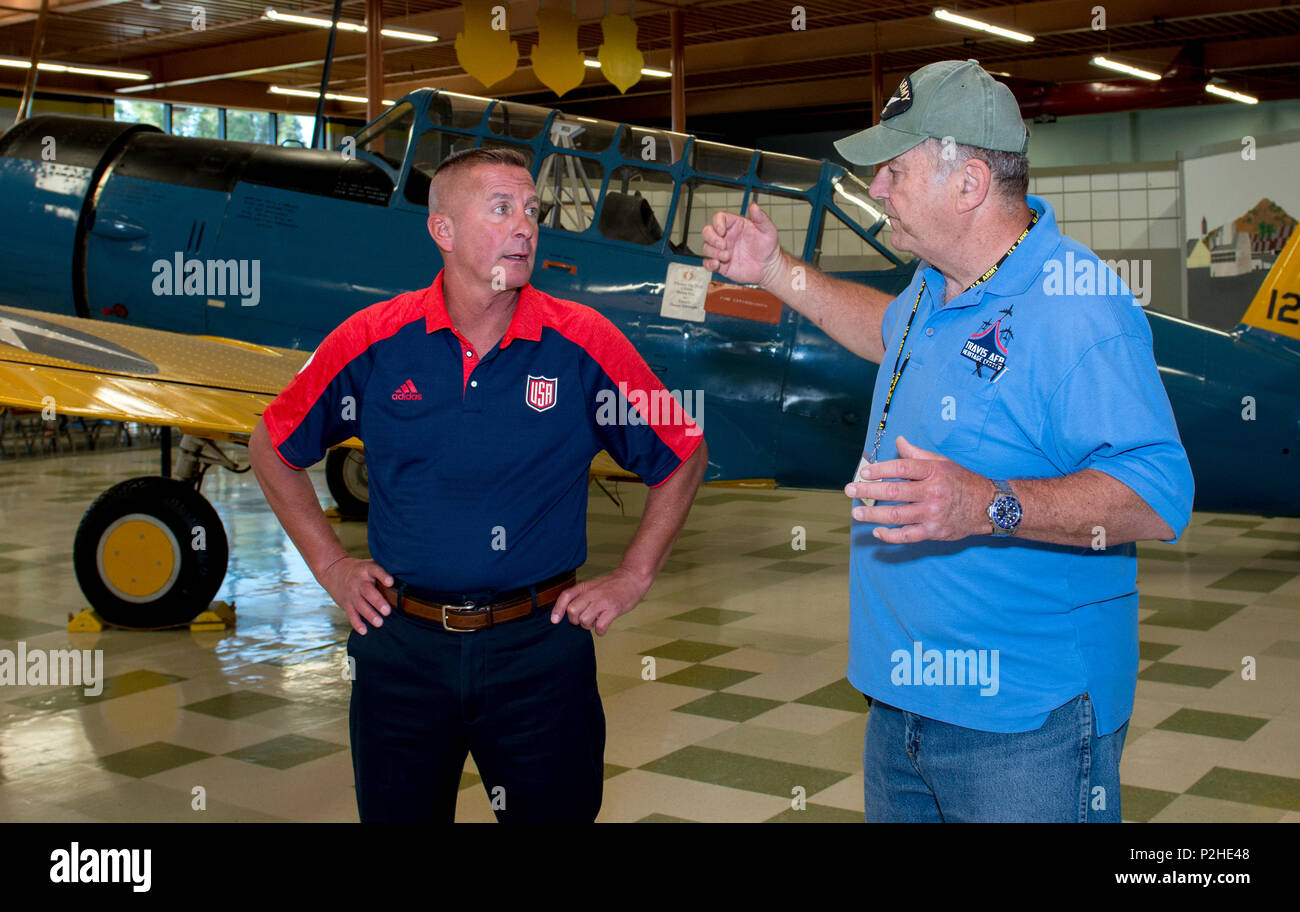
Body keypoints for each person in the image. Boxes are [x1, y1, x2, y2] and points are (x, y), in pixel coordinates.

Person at [701, 59, 1193, 822]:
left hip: (1027, 722)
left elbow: (1160, 493)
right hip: (900, 704)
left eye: (895, 172)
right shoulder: (936, 284)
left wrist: (985, 504)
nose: (878, 190)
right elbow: (885, 332)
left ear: (968, 183)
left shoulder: (1074, 304)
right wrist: (775, 270)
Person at [249, 146, 707, 823]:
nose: (525, 226)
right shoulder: (374, 340)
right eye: (501, 209)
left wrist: (633, 576)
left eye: (531, 211)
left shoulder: (583, 342)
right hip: (401, 648)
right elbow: (272, 444)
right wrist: (332, 565)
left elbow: (682, 449)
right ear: (444, 230)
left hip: (539, 652)